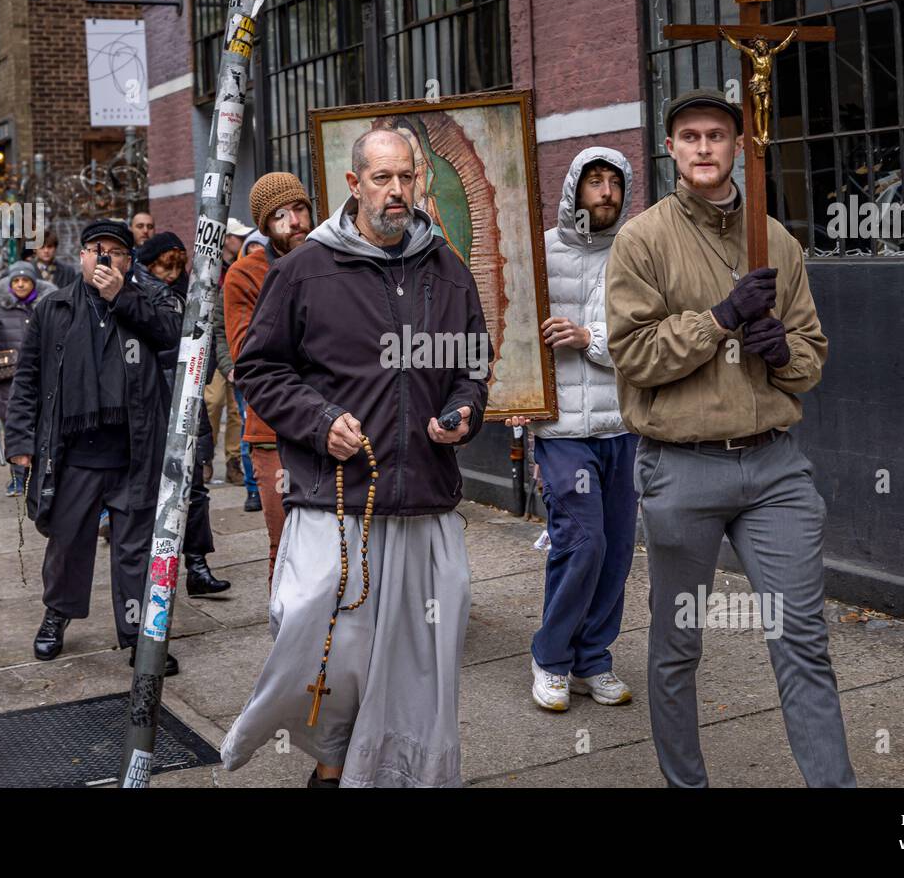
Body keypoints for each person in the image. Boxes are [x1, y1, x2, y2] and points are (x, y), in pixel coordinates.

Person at [219, 129, 490, 788]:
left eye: (405, 177)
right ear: (353, 184)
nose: (395, 191)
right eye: (381, 178)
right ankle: (331, 764)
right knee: (323, 651)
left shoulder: (447, 270)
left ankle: (387, 775)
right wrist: (319, 421)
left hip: (424, 500)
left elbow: (473, 368)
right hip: (336, 500)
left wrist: (464, 411)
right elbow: (257, 366)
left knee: (420, 670)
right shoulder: (304, 270)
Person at [605, 88, 855, 788]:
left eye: (717, 134)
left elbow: (811, 355)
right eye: (690, 136)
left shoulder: (774, 239)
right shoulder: (642, 239)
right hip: (682, 470)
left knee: (802, 638)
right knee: (679, 643)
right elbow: (636, 354)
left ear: (738, 146)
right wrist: (718, 318)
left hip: (775, 471)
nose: (705, 147)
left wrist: (781, 352)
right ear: (672, 150)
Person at [5, 220, 183, 676]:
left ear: (128, 261)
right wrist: (21, 443)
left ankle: (141, 638)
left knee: (135, 550)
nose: (105, 259)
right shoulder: (54, 308)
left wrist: (121, 296)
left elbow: (174, 334)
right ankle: (56, 617)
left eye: (116, 252)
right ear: (81, 255)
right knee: (67, 543)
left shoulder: (146, 300)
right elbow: (27, 380)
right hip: (75, 453)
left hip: (134, 450)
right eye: (96, 250)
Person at [504, 147, 639, 713]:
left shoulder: (638, 253)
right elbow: (507, 327)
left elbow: (648, 337)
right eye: (594, 182)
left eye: (614, 182)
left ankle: (593, 659)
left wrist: (591, 341)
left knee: (617, 551)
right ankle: (551, 658)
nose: (605, 192)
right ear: (574, 190)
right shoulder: (538, 252)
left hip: (623, 425)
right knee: (582, 542)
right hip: (561, 431)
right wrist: (511, 393)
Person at [225, 172, 314, 586]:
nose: (295, 221)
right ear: (265, 225)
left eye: (300, 209)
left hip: (340, 423)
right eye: (281, 214)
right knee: (286, 543)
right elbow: (249, 358)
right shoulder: (245, 274)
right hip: (273, 431)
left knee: (338, 538)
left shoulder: (332, 260)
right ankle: (289, 639)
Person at [136, 230, 231, 597]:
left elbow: (201, 351)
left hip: (186, 402)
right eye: (166, 266)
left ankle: (197, 565)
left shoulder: (187, 294)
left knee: (195, 490)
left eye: (178, 266)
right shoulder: (141, 296)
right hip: (154, 404)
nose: (173, 273)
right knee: (152, 494)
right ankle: (156, 574)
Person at [0, 261, 57, 495]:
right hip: (7, 382)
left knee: (43, 427)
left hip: (41, 377)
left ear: (34, 282)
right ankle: (18, 478)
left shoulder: (47, 305)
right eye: (15, 280)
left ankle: (42, 476)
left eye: (25, 280)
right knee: (15, 429)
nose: (20, 284)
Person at [206, 219, 255, 496]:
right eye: (237, 237)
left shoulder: (243, 264)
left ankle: (234, 459)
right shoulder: (211, 267)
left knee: (237, 412)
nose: (241, 240)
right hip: (215, 348)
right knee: (213, 403)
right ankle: (207, 455)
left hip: (234, 350)